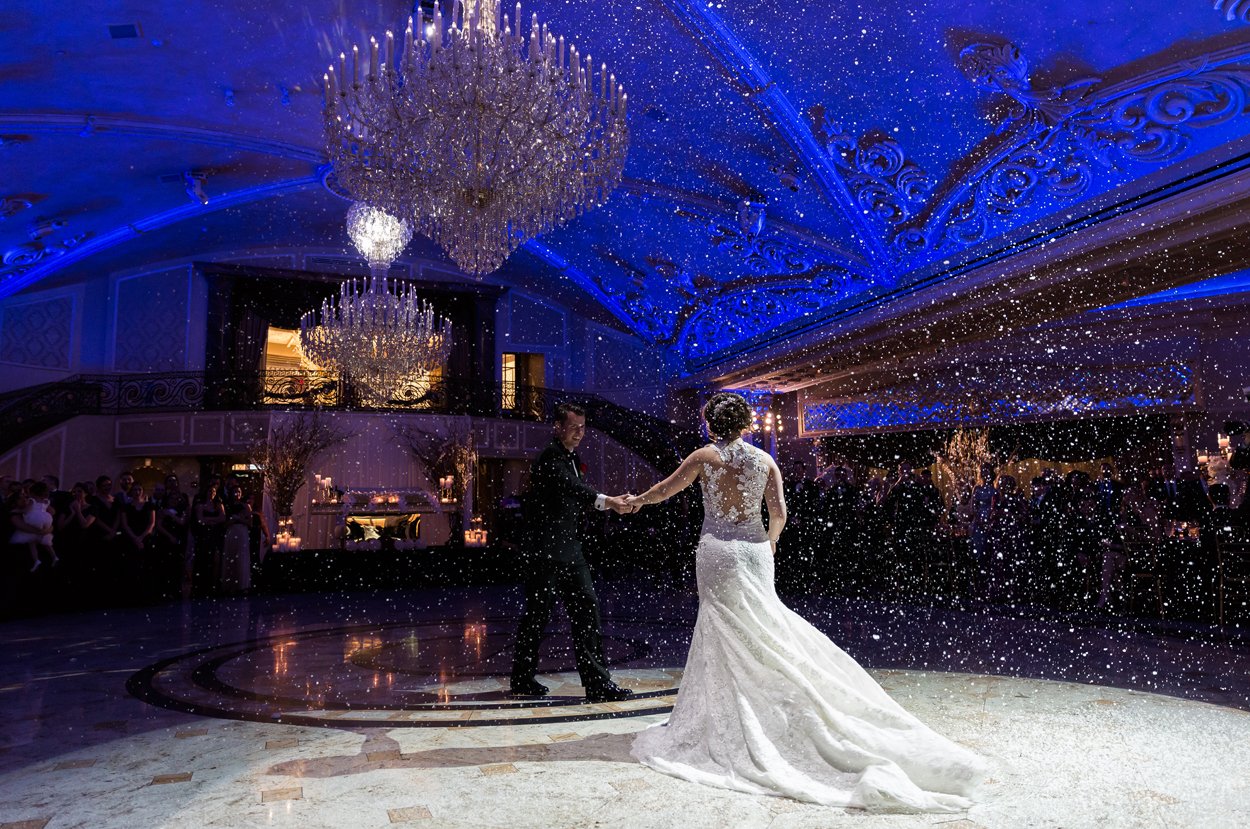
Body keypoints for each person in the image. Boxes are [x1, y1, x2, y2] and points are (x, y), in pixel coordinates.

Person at [626, 392, 986, 811]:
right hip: (756, 551)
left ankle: (729, 720)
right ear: (745, 423)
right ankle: (773, 710)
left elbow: (665, 490)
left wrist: (634, 501)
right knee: (765, 630)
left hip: (719, 554)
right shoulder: (765, 461)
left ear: (711, 424)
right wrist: (771, 543)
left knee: (724, 633)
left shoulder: (704, 457)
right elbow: (778, 512)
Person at [509, 402, 636, 703]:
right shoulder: (550, 458)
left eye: (583, 427)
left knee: (587, 611)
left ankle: (597, 684)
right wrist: (608, 501)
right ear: (558, 427)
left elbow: (577, 491)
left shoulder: (571, 457)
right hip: (546, 552)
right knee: (537, 617)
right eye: (574, 427)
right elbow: (573, 489)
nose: (580, 433)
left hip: (570, 550)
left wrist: (605, 502)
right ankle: (522, 677)